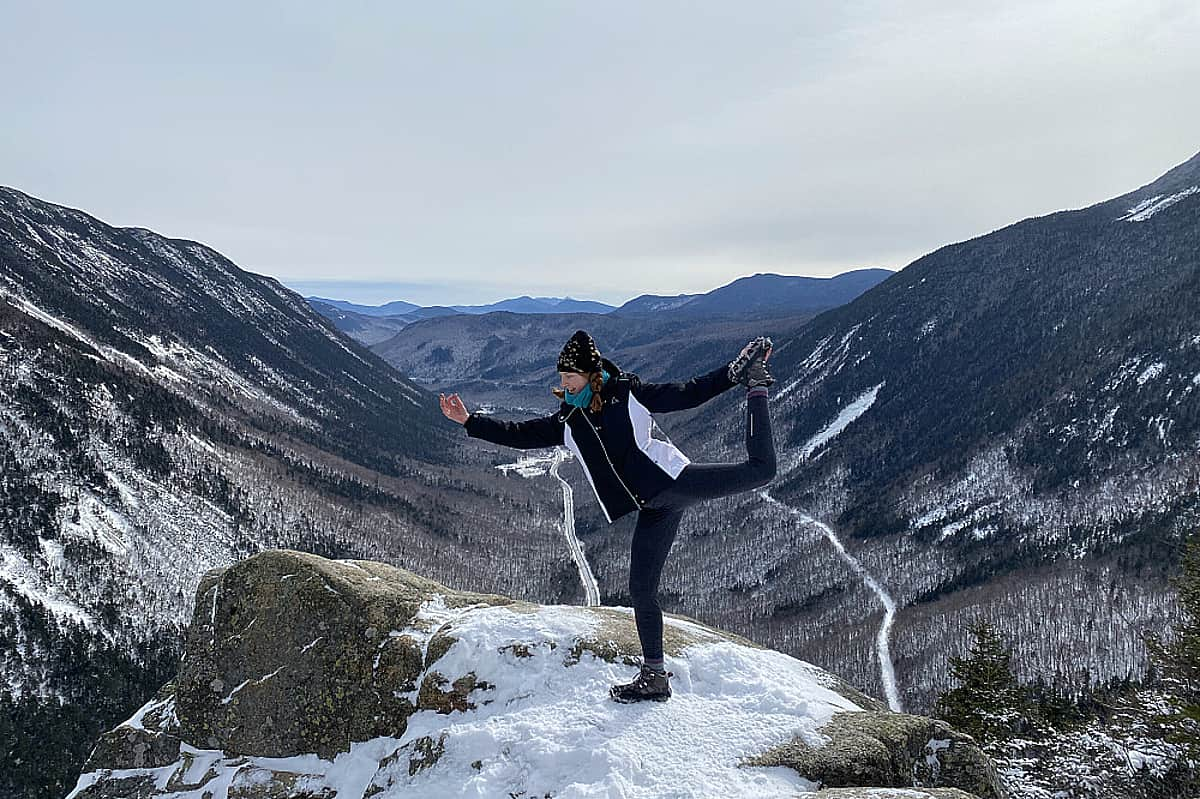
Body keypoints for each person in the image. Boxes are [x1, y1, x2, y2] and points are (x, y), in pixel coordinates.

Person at [439, 330, 776, 703]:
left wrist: (731, 375)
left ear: (590, 374)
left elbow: (688, 392)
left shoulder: (627, 392)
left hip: (674, 483)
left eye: (571, 377)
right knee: (641, 591)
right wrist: (470, 421)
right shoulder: (568, 422)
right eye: (562, 378)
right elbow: (520, 433)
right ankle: (654, 677)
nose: (564, 384)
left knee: (761, 470)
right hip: (651, 508)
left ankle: (755, 385)